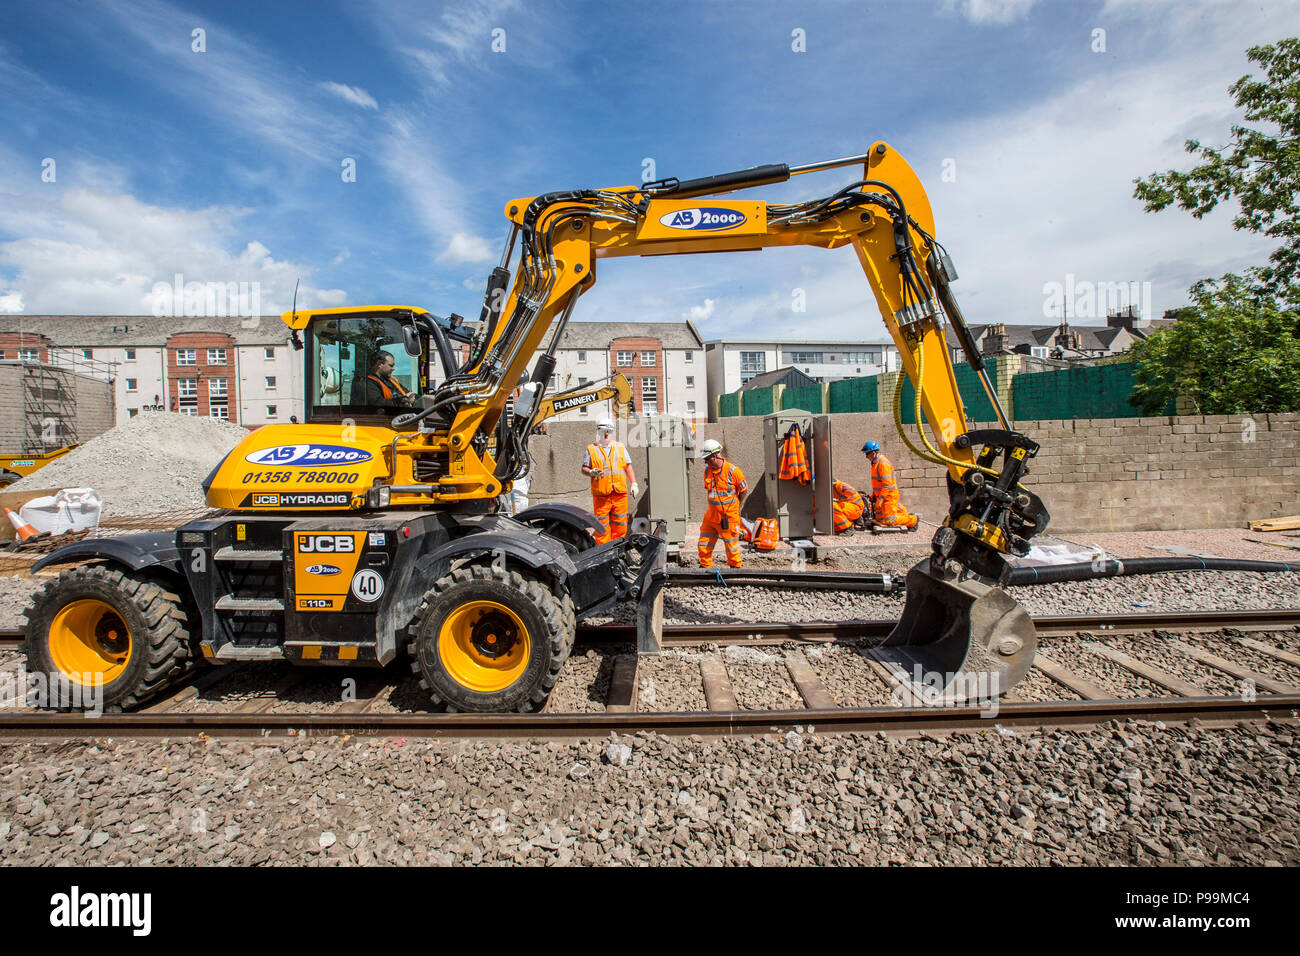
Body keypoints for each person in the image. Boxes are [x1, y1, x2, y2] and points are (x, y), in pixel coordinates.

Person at [582, 419, 638, 544]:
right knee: (601, 528)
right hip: (601, 496)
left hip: (619, 494)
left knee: (620, 526)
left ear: (612, 432)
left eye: (608, 431)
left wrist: (634, 483)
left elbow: (628, 467)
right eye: (603, 431)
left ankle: (618, 550)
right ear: (599, 432)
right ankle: (604, 553)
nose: (606, 434)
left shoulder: (620, 447)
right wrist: (590, 472)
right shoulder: (591, 449)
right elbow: (584, 468)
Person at [697, 439, 747, 569]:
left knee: (731, 547)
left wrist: (737, 505)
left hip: (729, 517)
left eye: (707, 459)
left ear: (715, 456)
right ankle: (705, 569)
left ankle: (735, 570)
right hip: (711, 516)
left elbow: (743, 490)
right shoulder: (707, 471)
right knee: (703, 545)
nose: (706, 463)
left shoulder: (733, 471)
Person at [862, 440, 919, 530]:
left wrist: (880, 500)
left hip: (888, 496)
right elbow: (878, 483)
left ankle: (913, 520)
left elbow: (887, 485)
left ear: (873, 453)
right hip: (882, 495)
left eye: (867, 454)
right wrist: (874, 496)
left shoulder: (883, 464)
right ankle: (904, 514)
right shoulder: (875, 463)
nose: (866, 457)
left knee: (890, 521)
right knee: (880, 520)